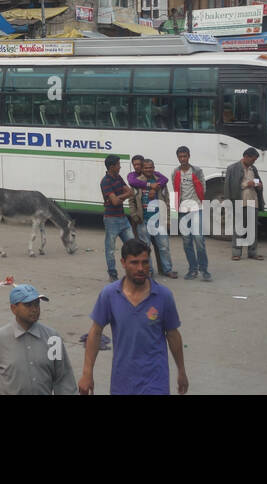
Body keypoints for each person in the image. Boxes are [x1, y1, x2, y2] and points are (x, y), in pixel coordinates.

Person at [78, 239, 189, 396]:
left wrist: (181, 371)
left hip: (155, 382)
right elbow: (95, 333)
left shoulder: (163, 296)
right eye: (134, 263)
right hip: (122, 382)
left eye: (145, 263)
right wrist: (87, 373)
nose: (140, 268)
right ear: (123, 263)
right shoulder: (109, 295)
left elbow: (173, 335)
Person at [0, 283, 76, 395]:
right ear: (13, 308)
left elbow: (64, 379)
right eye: (28, 305)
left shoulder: (52, 338)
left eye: (37, 304)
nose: (34, 309)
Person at [129, 157, 178, 279]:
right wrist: (134, 215)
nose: (148, 170)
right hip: (143, 221)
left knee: (164, 246)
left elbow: (167, 201)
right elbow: (132, 201)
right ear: (143, 169)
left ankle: (168, 269)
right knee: (145, 248)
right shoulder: (137, 182)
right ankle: (148, 271)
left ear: (154, 168)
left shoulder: (160, 183)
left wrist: (168, 219)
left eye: (151, 167)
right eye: (146, 168)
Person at [171, 146, 211, 281]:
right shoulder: (175, 172)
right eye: (180, 156)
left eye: (185, 156)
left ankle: (204, 270)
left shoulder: (197, 171)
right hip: (183, 211)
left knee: (199, 239)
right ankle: (192, 269)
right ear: (177, 157)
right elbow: (175, 191)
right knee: (186, 242)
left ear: (189, 156)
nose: (183, 159)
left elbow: (203, 187)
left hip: (196, 208)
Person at [224, 148, 265, 261]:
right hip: (239, 200)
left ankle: (252, 252)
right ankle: (236, 252)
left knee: (252, 228)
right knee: (239, 228)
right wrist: (247, 184)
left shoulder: (253, 169)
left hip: (253, 200)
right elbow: (229, 186)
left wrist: (259, 184)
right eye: (252, 160)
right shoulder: (233, 168)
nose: (253, 162)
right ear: (246, 157)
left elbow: (258, 181)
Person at [100, 154, 136, 281]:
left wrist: (118, 197)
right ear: (112, 167)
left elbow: (129, 192)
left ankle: (132, 270)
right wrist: (121, 196)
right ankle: (112, 274)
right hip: (111, 219)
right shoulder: (105, 181)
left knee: (133, 246)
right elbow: (116, 201)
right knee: (110, 249)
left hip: (122, 218)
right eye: (118, 164)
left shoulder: (118, 177)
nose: (120, 167)